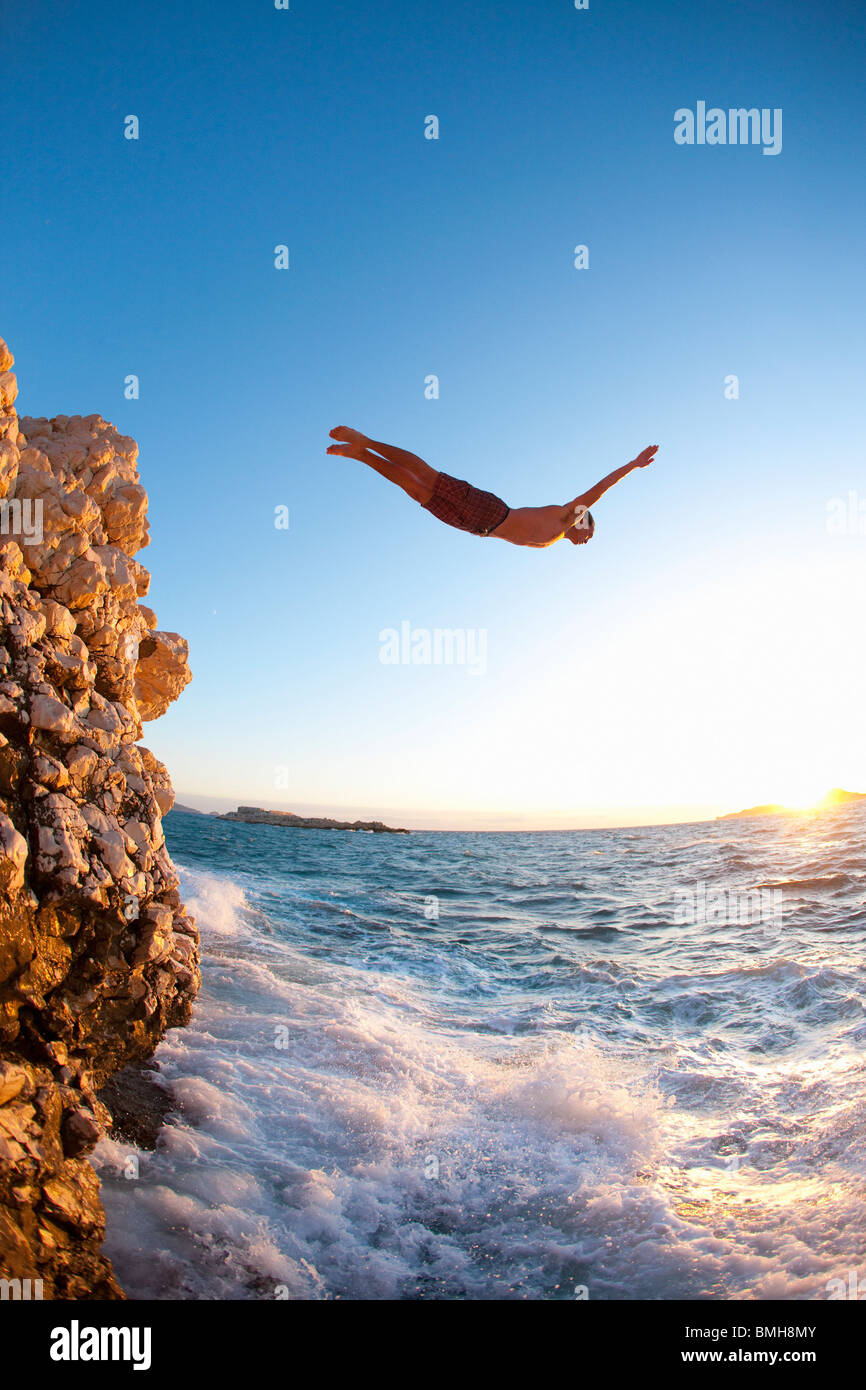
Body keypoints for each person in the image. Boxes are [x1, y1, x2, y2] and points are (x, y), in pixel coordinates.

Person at [327, 427, 657, 548]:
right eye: (590, 534)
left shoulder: (555, 538)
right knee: (427, 478)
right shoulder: (566, 519)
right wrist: (633, 465)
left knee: (418, 493)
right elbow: (598, 490)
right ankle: (366, 441)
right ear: (584, 522)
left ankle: (360, 455)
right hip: (491, 512)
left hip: (478, 527)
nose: (586, 541)